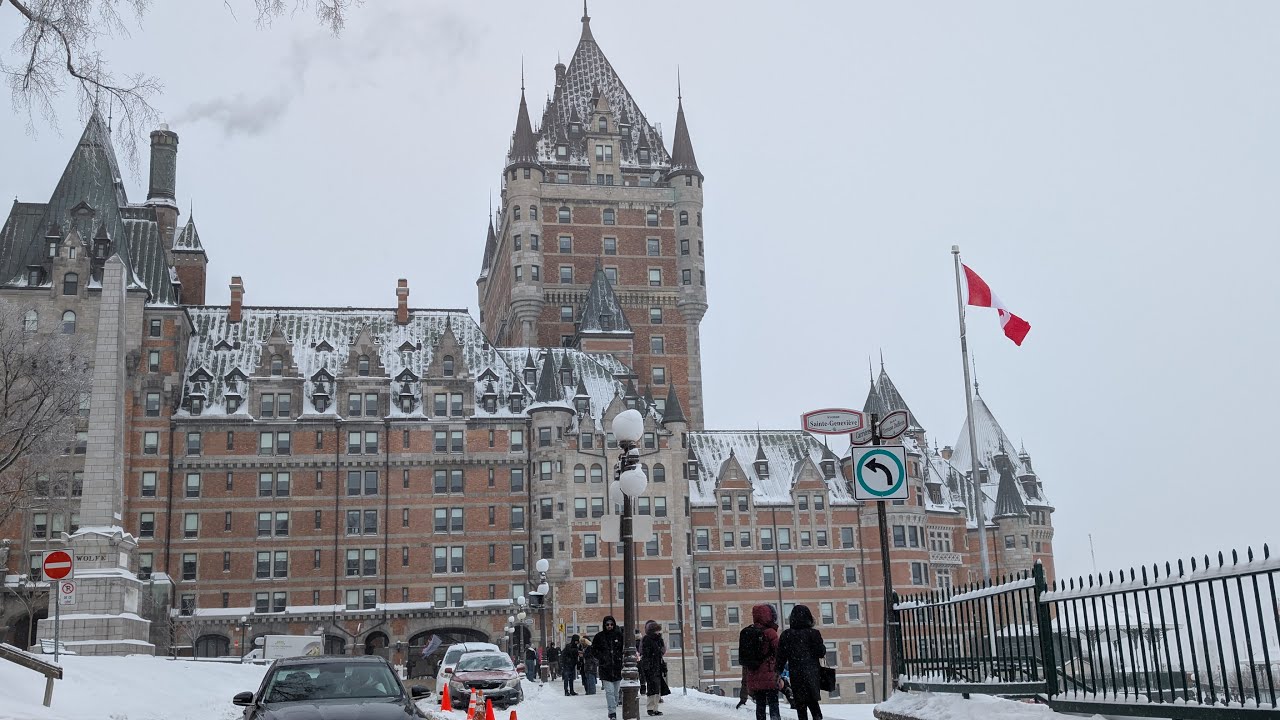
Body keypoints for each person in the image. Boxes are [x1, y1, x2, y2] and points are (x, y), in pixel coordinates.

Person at [777, 604, 827, 720]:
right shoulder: (813, 633)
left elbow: (781, 657)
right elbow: (820, 652)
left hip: (796, 674)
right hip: (812, 673)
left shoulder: (786, 635)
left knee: (801, 705)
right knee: (813, 703)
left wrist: (778, 671)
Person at [744, 604, 782, 720]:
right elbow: (778, 652)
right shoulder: (770, 632)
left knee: (760, 705)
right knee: (773, 703)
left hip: (754, 674)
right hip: (770, 674)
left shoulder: (748, 632)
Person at [590, 615, 625, 720]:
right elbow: (593, 650)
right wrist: (602, 657)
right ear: (604, 625)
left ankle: (613, 708)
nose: (609, 626)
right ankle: (612, 712)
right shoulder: (599, 637)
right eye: (607, 624)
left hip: (617, 667)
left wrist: (619, 656)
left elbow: (623, 648)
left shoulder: (619, 636)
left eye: (611, 624)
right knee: (609, 692)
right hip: (605, 669)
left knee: (615, 693)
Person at [639, 620, 666, 716]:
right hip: (650, 666)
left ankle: (655, 708)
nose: (658, 632)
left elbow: (662, 650)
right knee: (652, 687)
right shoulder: (647, 639)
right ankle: (650, 708)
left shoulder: (659, 639)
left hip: (657, 665)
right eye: (656, 631)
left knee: (657, 687)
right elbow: (645, 652)